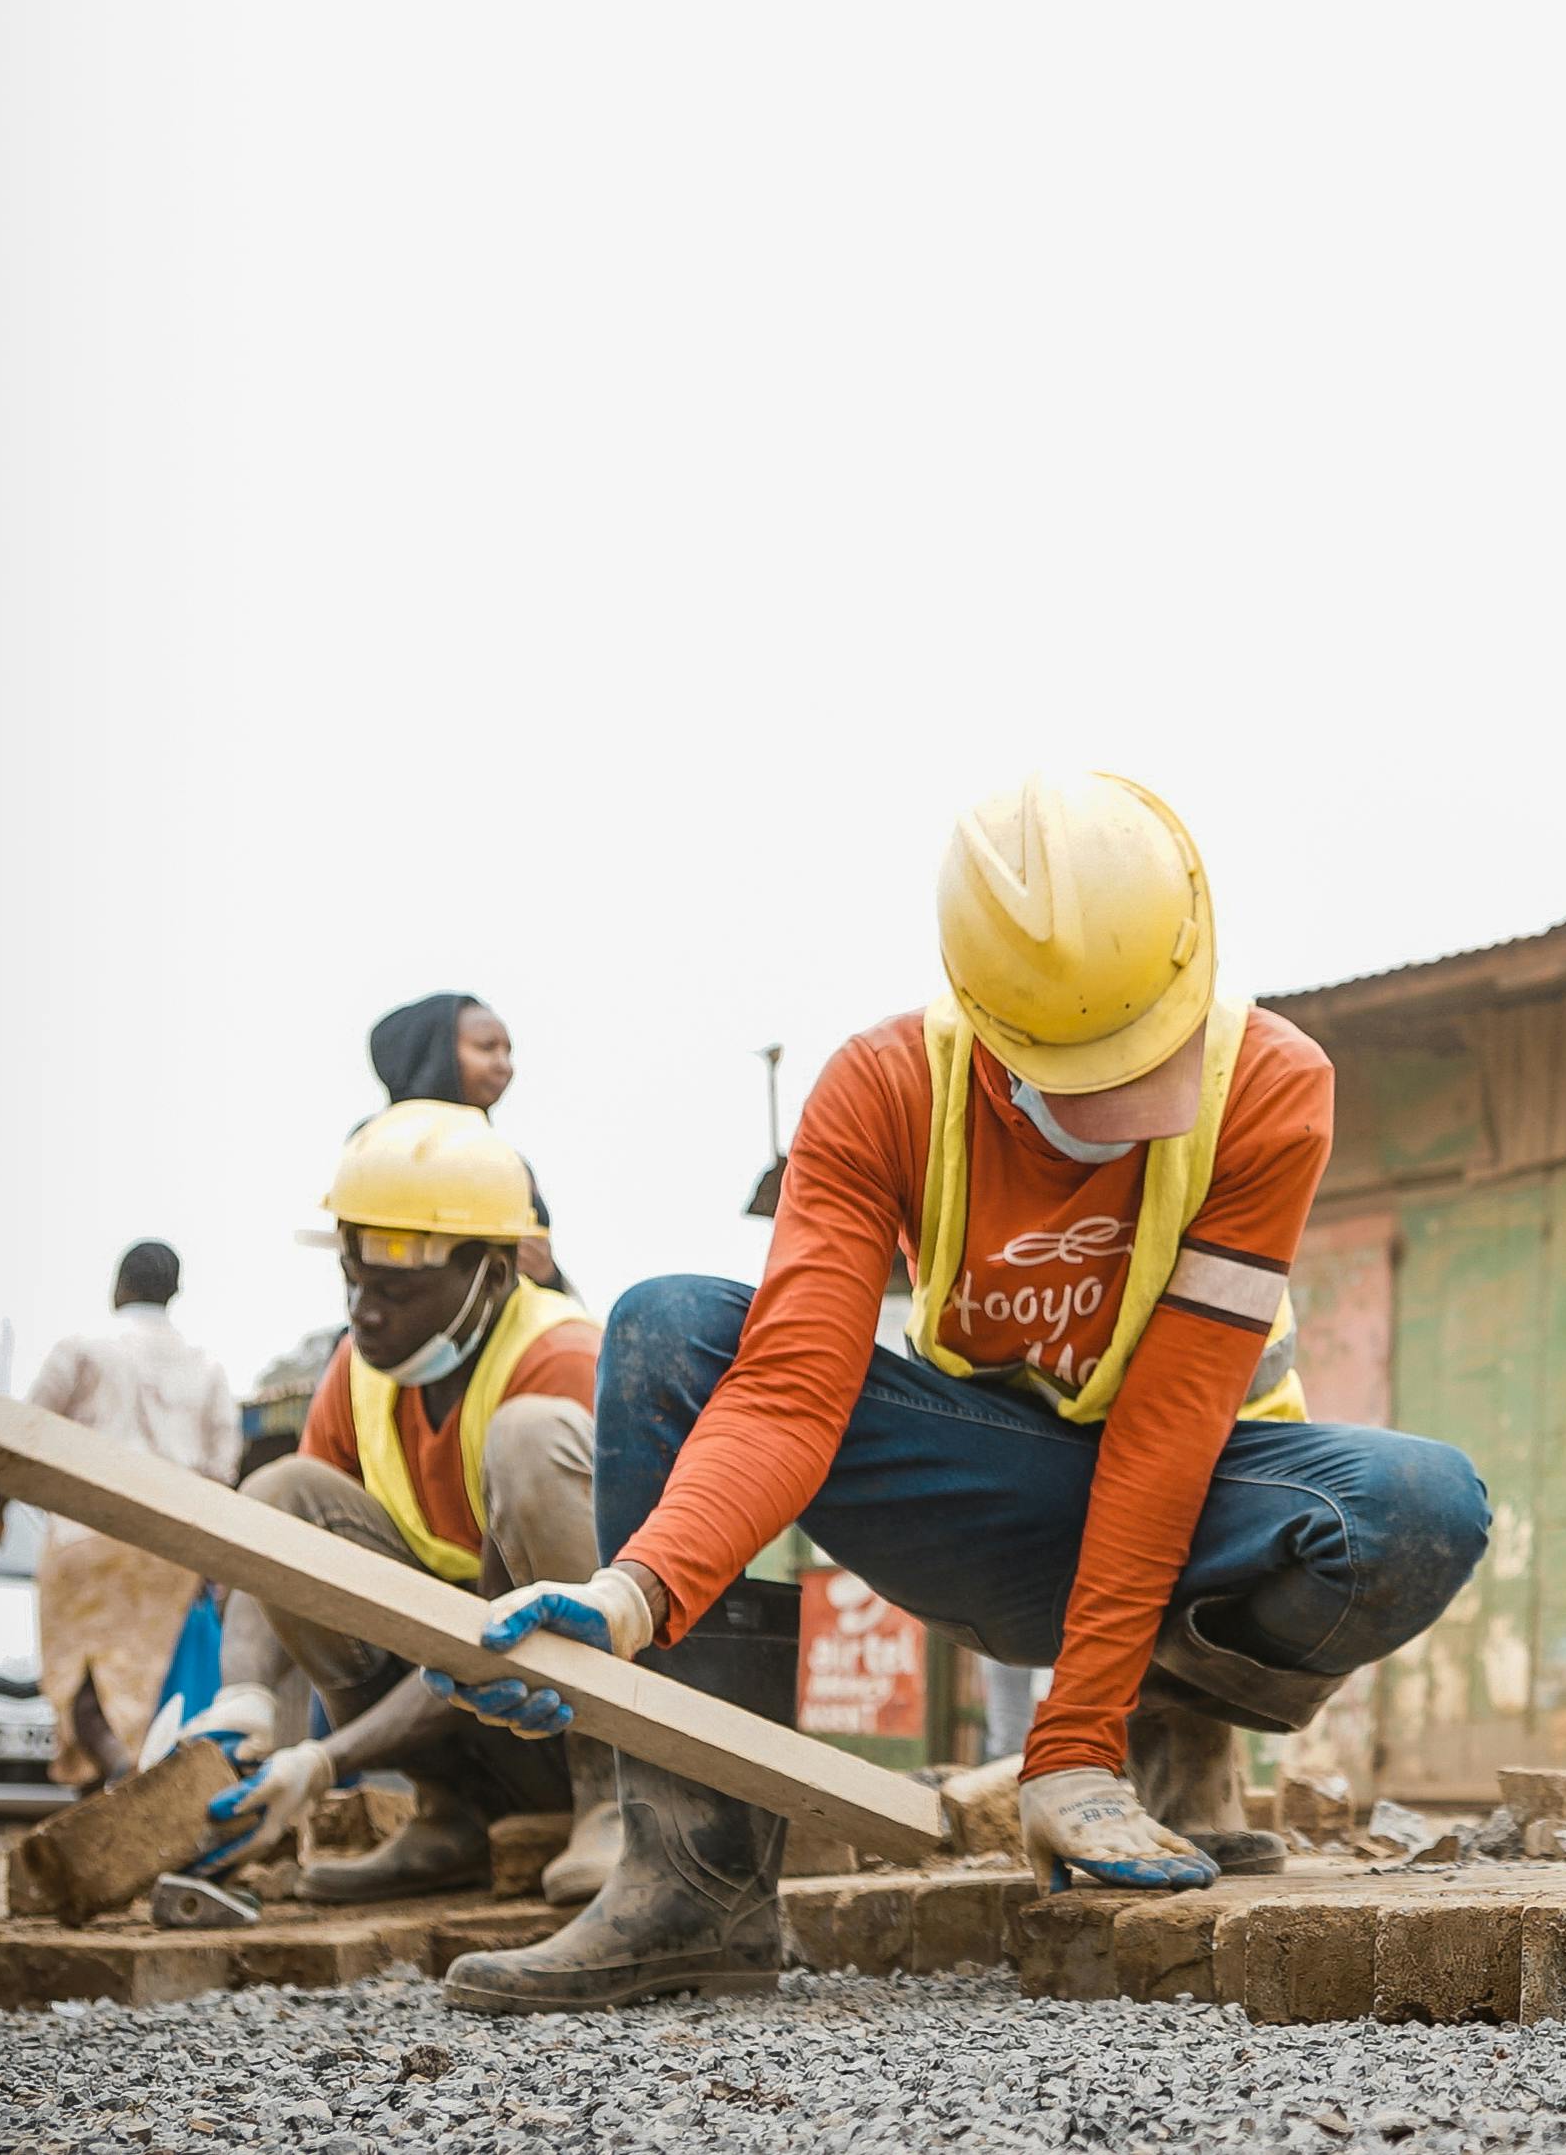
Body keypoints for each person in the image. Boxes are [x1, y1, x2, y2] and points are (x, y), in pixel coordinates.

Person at [428, 771, 1489, 2013]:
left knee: (1419, 1502)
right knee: (669, 1324)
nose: (1120, 1106)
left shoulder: (1267, 1083)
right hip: (999, 1505)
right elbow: (786, 1393)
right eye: (1077, 1070)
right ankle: (694, 1879)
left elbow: (1171, 1422)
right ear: (989, 1023)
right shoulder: (884, 1089)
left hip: (1205, 1513)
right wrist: (628, 1594)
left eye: (1143, 1051)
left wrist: (1076, 1739)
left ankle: (1172, 1717)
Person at [183, 1101, 619, 1906]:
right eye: (354, 1279)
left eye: (397, 1288)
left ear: (490, 1273)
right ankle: (451, 1815)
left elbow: (500, 1635)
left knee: (525, 1437)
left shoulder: (561, 1360)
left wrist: (327, 1758)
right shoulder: (359, 1370)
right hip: (460, 1708)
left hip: (558, 1704)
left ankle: (614, 1803)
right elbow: (276, 1551)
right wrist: (240, 1695)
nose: (365, 1310)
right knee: (280, 1493)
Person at [0, 1240, 238, 1790]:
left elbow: (27, 1432)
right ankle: (133, 1782)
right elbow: (222, 1467)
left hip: (84, 1535)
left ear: (120, 1285)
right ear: (176, 1292)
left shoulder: (83, 1348)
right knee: (144, 1688)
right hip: (171, 1548)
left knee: (81, 1682)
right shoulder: (208, 1366)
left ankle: (121, 1775)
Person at [370, 991, 564, 1290]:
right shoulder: (378, 1151)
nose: (504, 1065)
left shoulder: (505, 1160)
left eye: (508, 1051)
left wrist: (549, 1277)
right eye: (487, 1048)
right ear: (436, 1054)